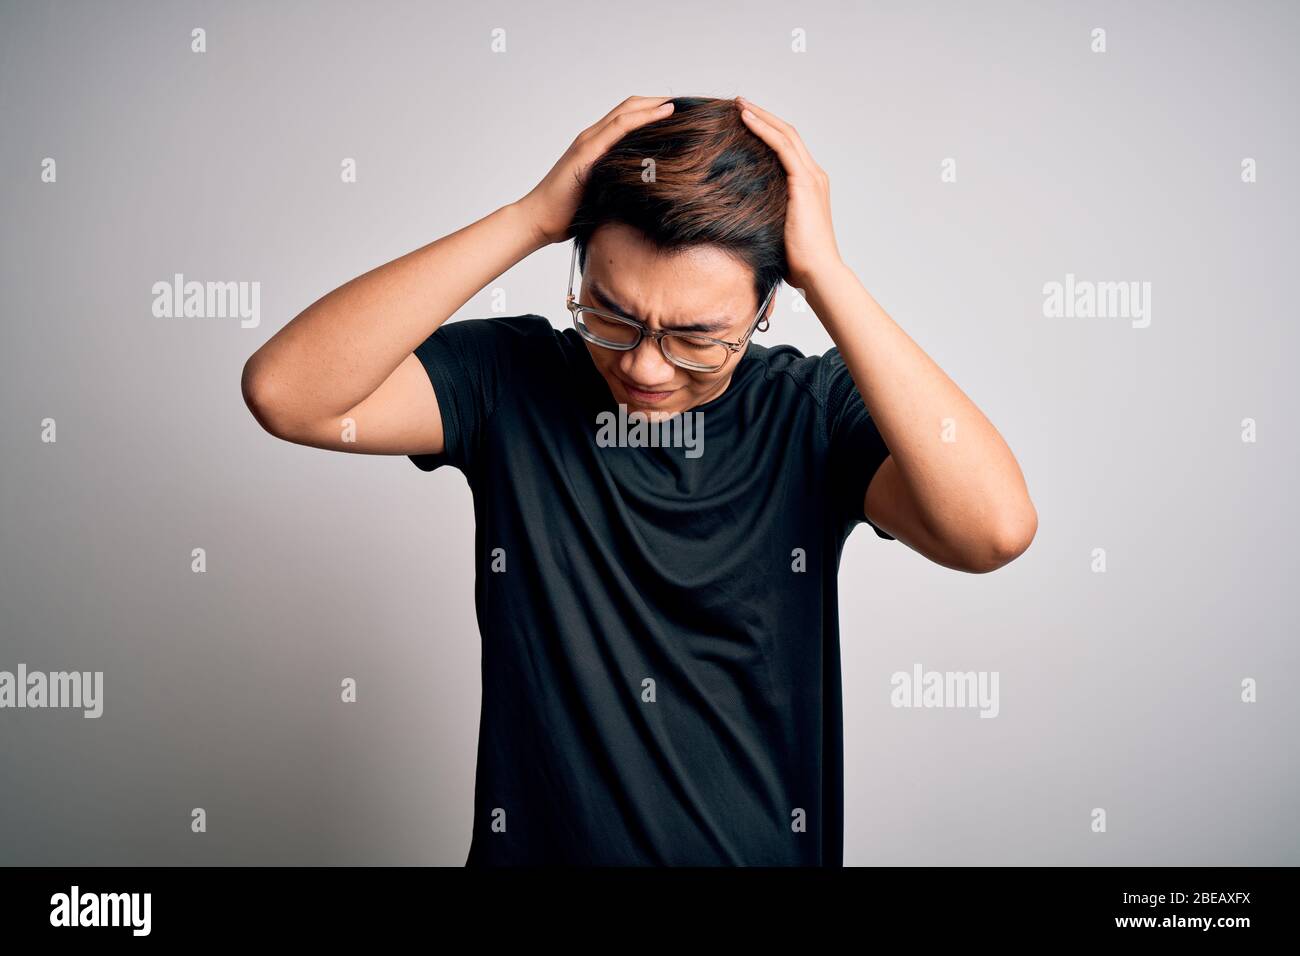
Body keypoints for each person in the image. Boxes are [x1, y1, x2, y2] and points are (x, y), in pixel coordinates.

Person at [241, 95, 1038, 865]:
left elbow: (993, 531)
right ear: (579, 269)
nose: (645, 368)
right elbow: (287, 394)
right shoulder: (510, 382)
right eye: (611, 316)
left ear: (765, 307)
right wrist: (528, 218)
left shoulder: (814, 415)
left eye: (698, 338)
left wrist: (828, 274)